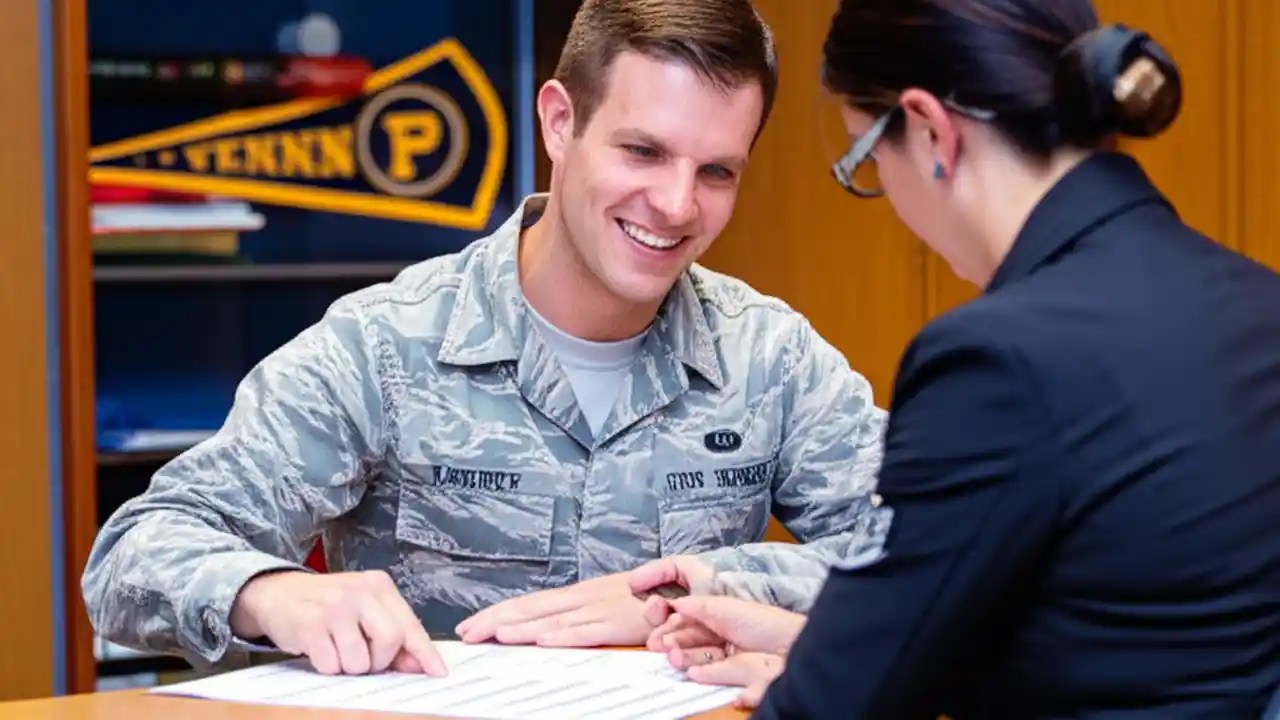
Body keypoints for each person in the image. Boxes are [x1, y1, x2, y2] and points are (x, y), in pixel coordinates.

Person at [80, 0, 893, 679]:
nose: (677, 205)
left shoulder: (772, 358)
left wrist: (707, 586)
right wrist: (270, 590)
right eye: (643, 151)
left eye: (717, 172)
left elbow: (940, 550)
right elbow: (133, 553)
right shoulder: (387, 346)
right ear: (560, 122)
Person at [632, 0, 1280, 717]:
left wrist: (824, 675)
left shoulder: (998, 360)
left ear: (931, 130)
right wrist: (812, 640)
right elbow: (1121, 637)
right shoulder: (1257, 304)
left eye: (866, 158)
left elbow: (830, 708)